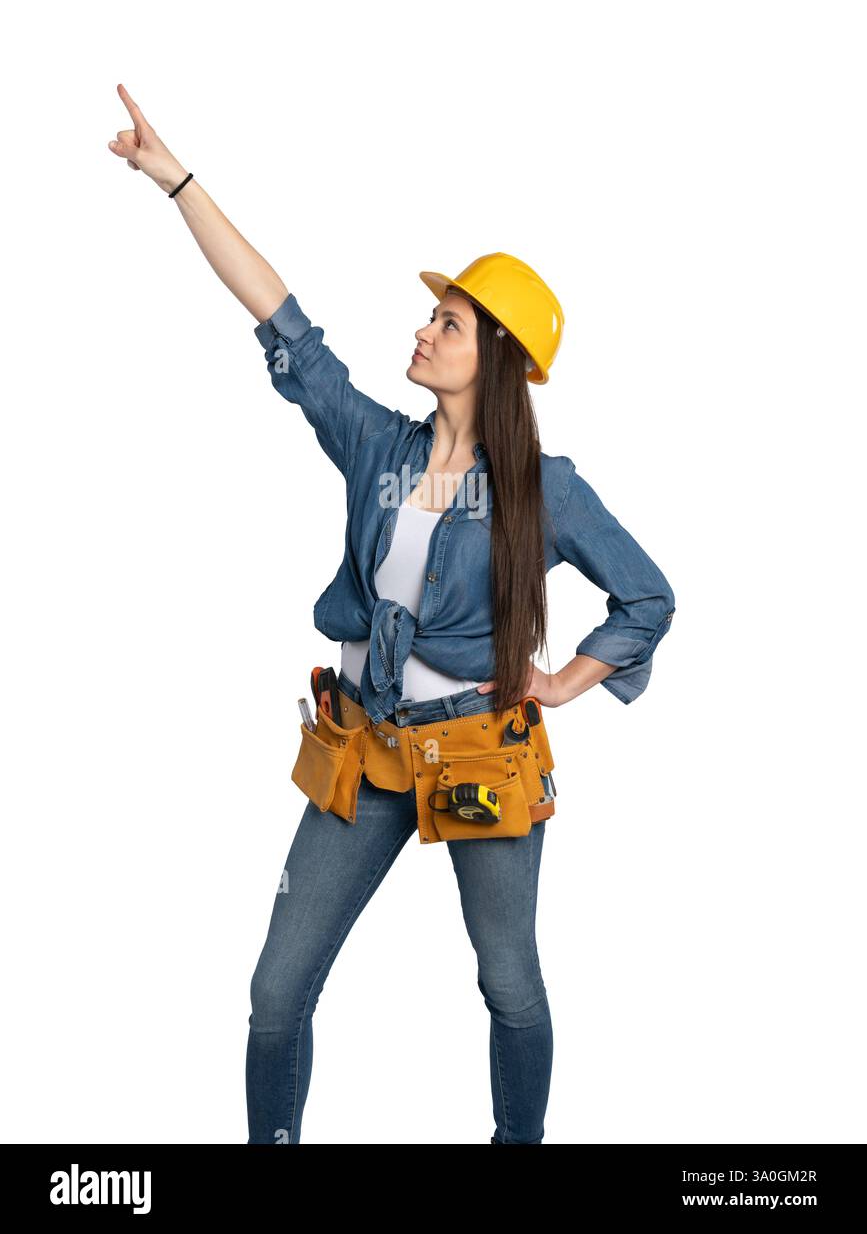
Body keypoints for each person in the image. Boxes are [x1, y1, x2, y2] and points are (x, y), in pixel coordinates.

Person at [108, 84, 676, 1145]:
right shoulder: (378, 446)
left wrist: (564, 679)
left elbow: (648, 597)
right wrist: (174, 179)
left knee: (510, 983)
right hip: (365, 752)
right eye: (431, 314)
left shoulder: (546, 489)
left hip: (478, 755)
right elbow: (282, 317)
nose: (423, 328)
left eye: (447, 321)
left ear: (494, 354)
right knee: (276, 993)